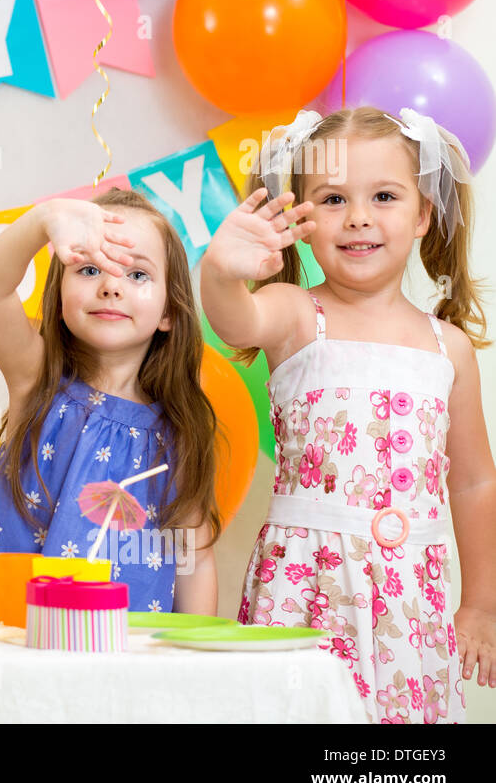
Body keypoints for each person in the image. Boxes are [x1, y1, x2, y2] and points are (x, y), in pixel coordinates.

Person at [202, 106, 496, 721]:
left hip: (409, 598)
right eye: (333, 199)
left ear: (422, 215)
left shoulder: (449, 348)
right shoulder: (293, 312)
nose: (358, 217)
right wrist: (222, 270)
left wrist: (482, 604)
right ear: (301, 219)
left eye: (383, 196)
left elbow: (473, 481)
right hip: (304, 587)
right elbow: (234, 317)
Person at [0, 189, 220, 619]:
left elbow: (195, 558)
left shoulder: (179, 432)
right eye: (90, 268)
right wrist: (44, 219)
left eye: (137, 275)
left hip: (125, 654)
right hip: (11, 638)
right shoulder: (35, 379)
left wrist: (196, 663)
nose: (112, 286)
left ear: (169, 310)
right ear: (58, 298)